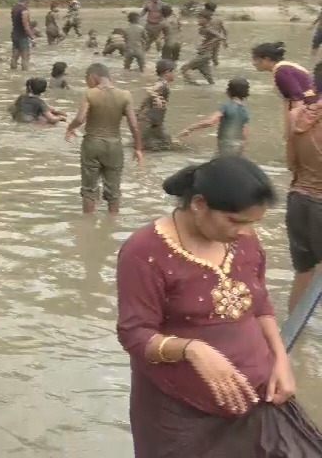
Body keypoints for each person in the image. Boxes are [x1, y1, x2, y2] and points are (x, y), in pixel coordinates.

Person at [115, 157, 322, 457]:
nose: (244, 230)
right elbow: (134, 334)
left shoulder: (244, 241)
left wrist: (280, 360)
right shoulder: (144, 252)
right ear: (199, 204)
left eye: (251, 222)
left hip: (259, 399)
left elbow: (259, 303)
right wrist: (193, 350)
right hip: (181, 415)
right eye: (235, 221)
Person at [64, 63, 144, 214]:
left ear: (93, 76)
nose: (87, 82)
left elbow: (80, 119)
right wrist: (138, 148)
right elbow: (133, 125)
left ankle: (88, 225)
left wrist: (70, 128)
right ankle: (112, 224)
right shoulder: (125, 95)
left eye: (87, 79)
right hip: (114, 145)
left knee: (89, 189)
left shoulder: (90, 94)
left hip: (92, 144)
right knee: (114, 190)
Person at [285, 93, 322, 312]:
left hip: (298, 200)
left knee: (304, 271)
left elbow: (291, 164)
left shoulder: (296, 115)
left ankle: (293, 339)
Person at [180, 78, 251, 157]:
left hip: (226, 145)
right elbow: (245, 134)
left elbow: (210, 122)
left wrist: (189, 129)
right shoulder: (245, 110)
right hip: (239, 145)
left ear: (228, 91)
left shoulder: (226, 106)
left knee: (216, 166)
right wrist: (243, 150)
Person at [251, 42, 319, 111]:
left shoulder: (281, 72)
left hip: (311, 111)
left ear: (266, 59)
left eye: (255, 59)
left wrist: (294, 120)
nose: (253, 64)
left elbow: (297, 99)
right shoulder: (285, 68)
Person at [139, 59, 183, 152]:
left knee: (169, 146)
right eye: (173, 71)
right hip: (150, 124)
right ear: (167, 72)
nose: (174, 74)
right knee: (153, 149)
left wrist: (139, 111)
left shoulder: (161, 83)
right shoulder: (162, 84)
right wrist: (156, 97)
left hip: (155, 124)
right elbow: (149, 90)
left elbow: (146, 99)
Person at [181, 12, 222, 86]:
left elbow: (220, 37)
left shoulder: (208, 29)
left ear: (207, 20)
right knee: (210, 81)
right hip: (202, 55)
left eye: (200, 18)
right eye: (198, 18)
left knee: (184, 68)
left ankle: (193, 86)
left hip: (204, 56)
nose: (198, 20)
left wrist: (207, 44)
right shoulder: (202, 29)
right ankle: (202, 88)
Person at [10, 0, 38, 70]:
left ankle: (12, 72)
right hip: (22, 36)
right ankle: (24, 76)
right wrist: (32, 38)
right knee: (25, 57)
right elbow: (26, 26)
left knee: (14, 56)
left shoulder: (14, 7)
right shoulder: (24, 10)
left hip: (14, 34)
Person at [205, 2, 228, 66]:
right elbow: (225, 30)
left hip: (208, 40)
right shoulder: (219, 18)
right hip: (217, 40)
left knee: (204, 57)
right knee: (214, 57)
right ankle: (216, 68)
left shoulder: (206, 18)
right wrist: (225, 41)